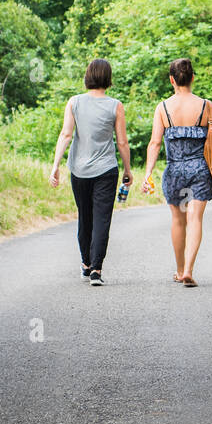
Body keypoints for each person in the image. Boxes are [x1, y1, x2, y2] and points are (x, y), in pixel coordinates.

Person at [49, 58, 132, 286]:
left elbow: (66, 135)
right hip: (106, 170)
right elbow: (122, 143)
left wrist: (55, 166)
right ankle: (96, 270)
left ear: (88, 76)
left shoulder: (74, 102)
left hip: (79, 170)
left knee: (85, 217)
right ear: (108, 78)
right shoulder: (115, 105)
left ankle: (86, 263)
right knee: (102, 219)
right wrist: (127, 169)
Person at [141, 57, 212, 287]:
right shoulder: (206, 106)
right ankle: (188, 270)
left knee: (178, 220)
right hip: (200, 170)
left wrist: (147, 174)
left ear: (171, 80)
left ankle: (178, 269)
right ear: (193, 78)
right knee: (195, 218)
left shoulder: (163, 107)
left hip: (174, 171)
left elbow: (155, 143)